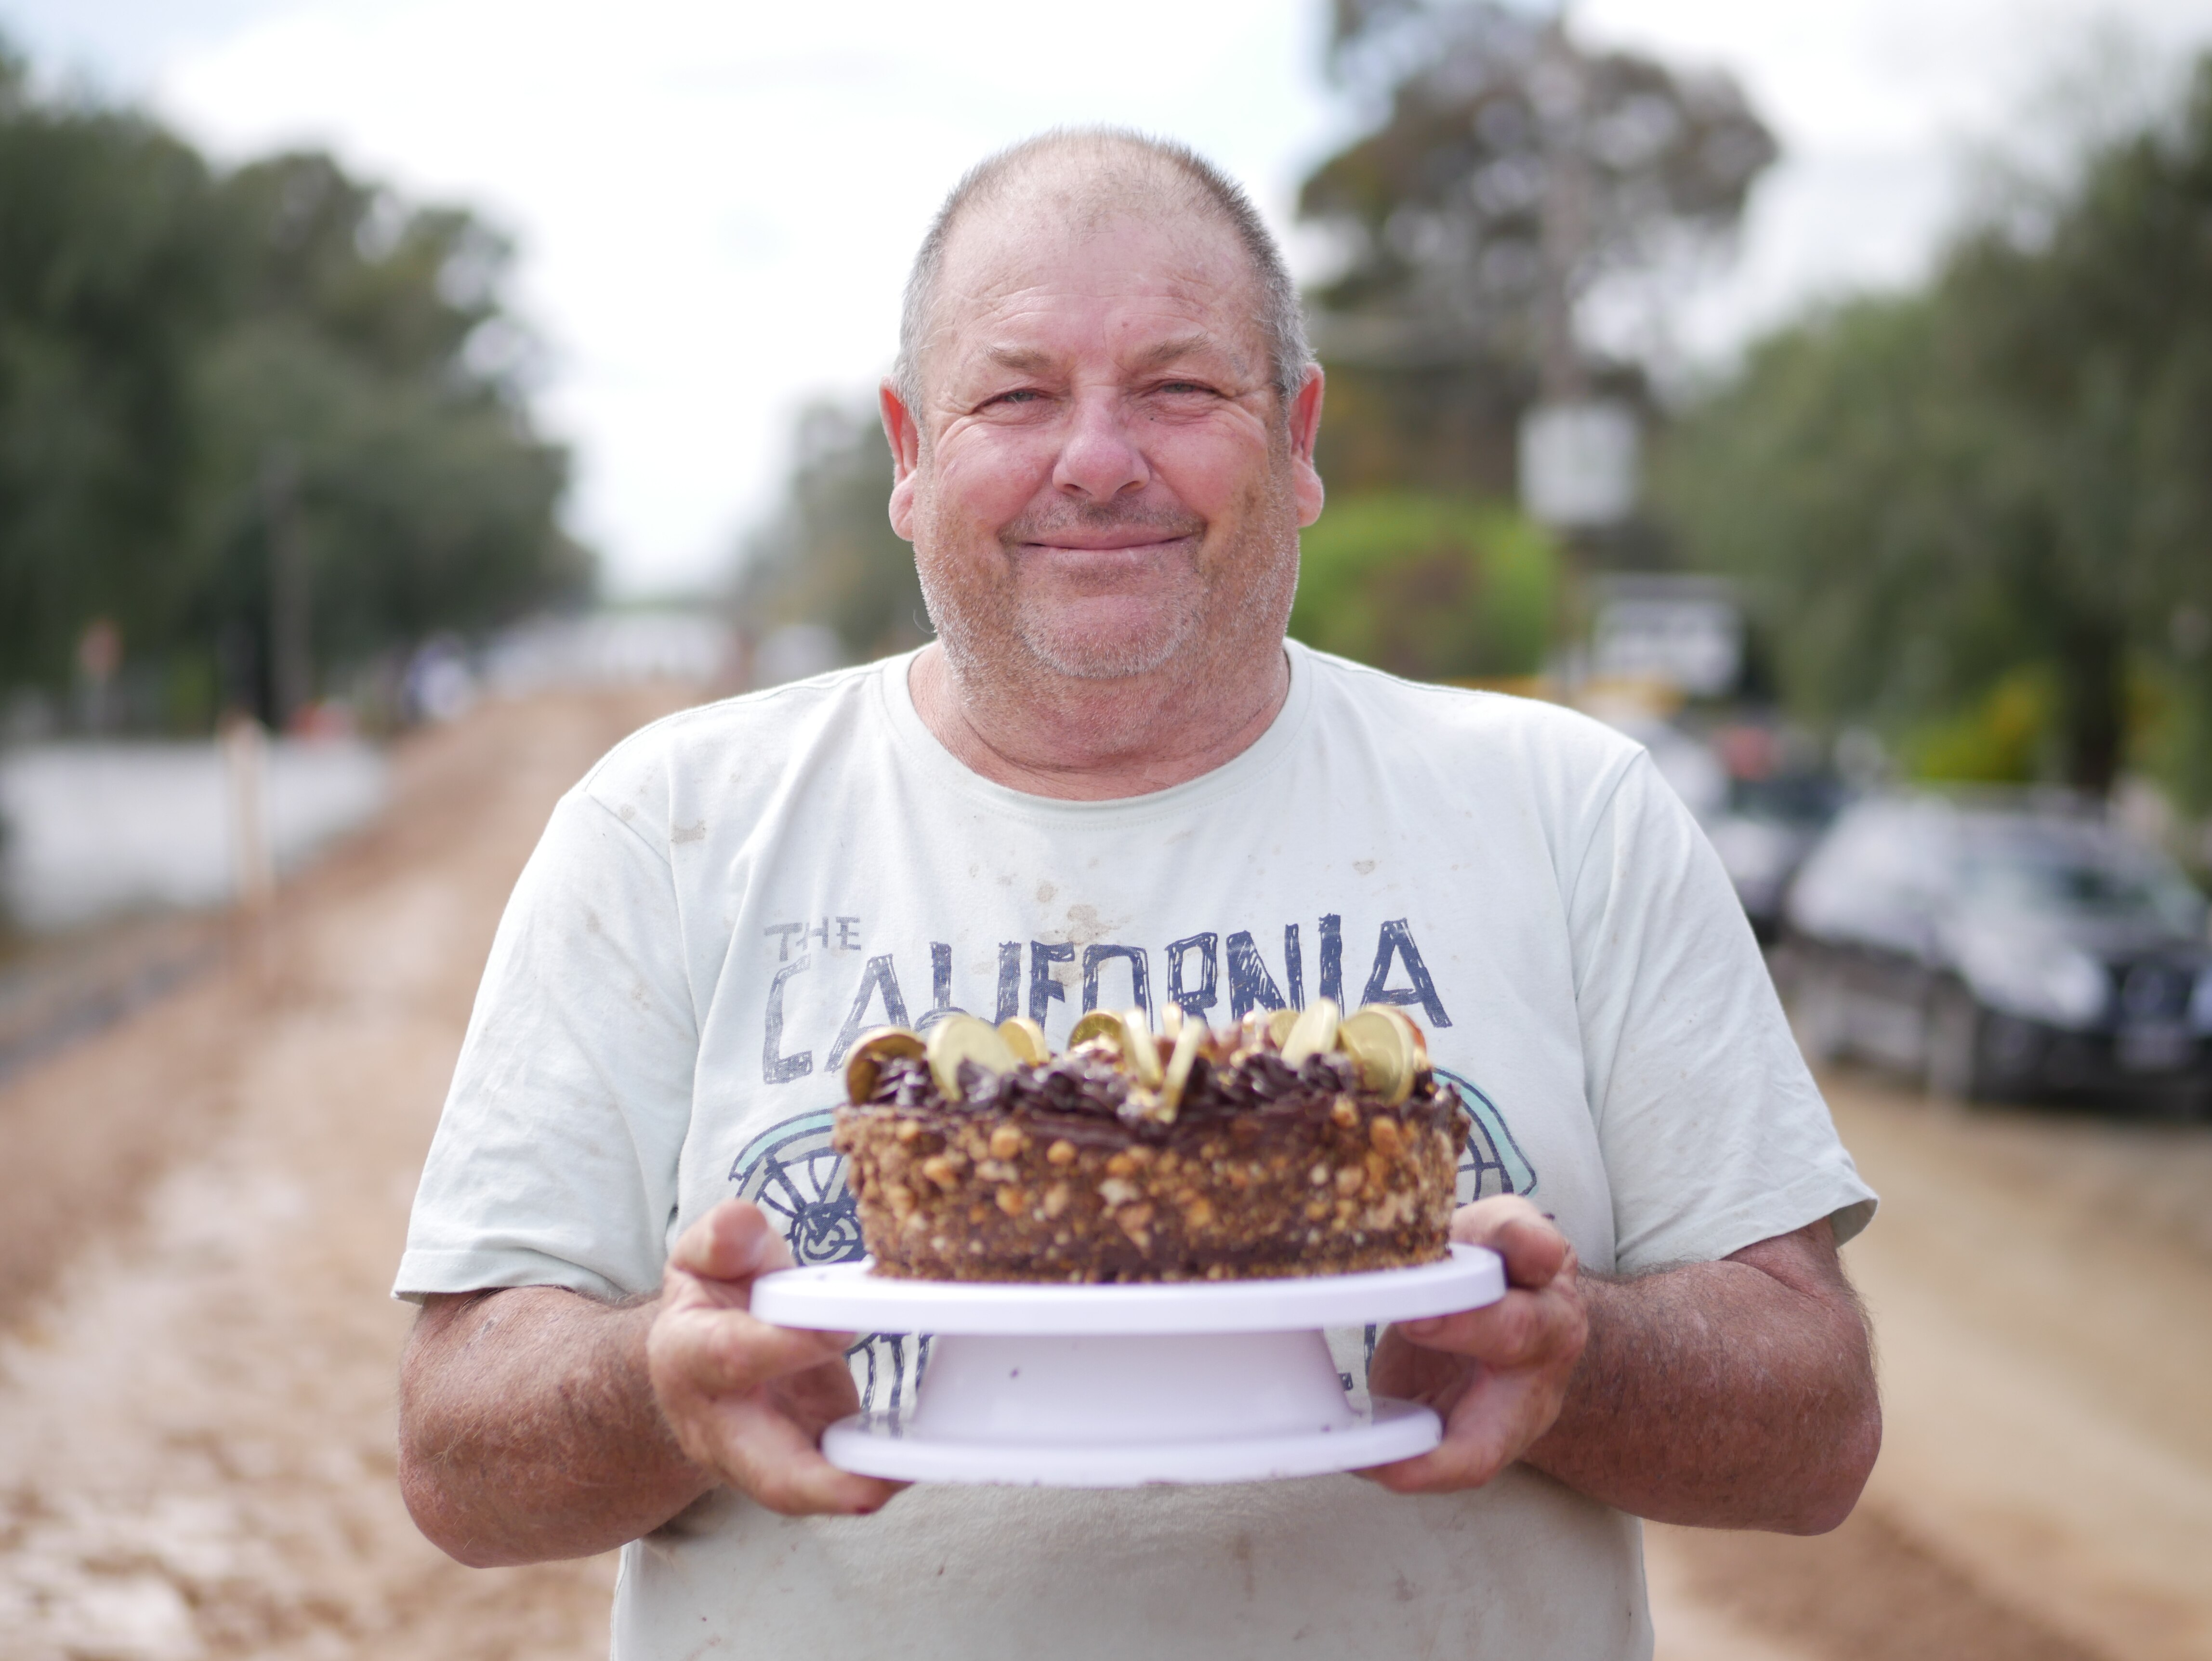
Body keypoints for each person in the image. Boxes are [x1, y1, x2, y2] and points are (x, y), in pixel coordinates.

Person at [394, 129, 1879, 1659]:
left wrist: (1581, 1360)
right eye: (1019, 394)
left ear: (1299, 437)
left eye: (1178, 388)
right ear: (910, 452)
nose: (1098, 461)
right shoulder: (667, 827)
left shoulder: (1571, 813)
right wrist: (663, 1385)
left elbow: (1817, 1427)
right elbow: (456, 1457)